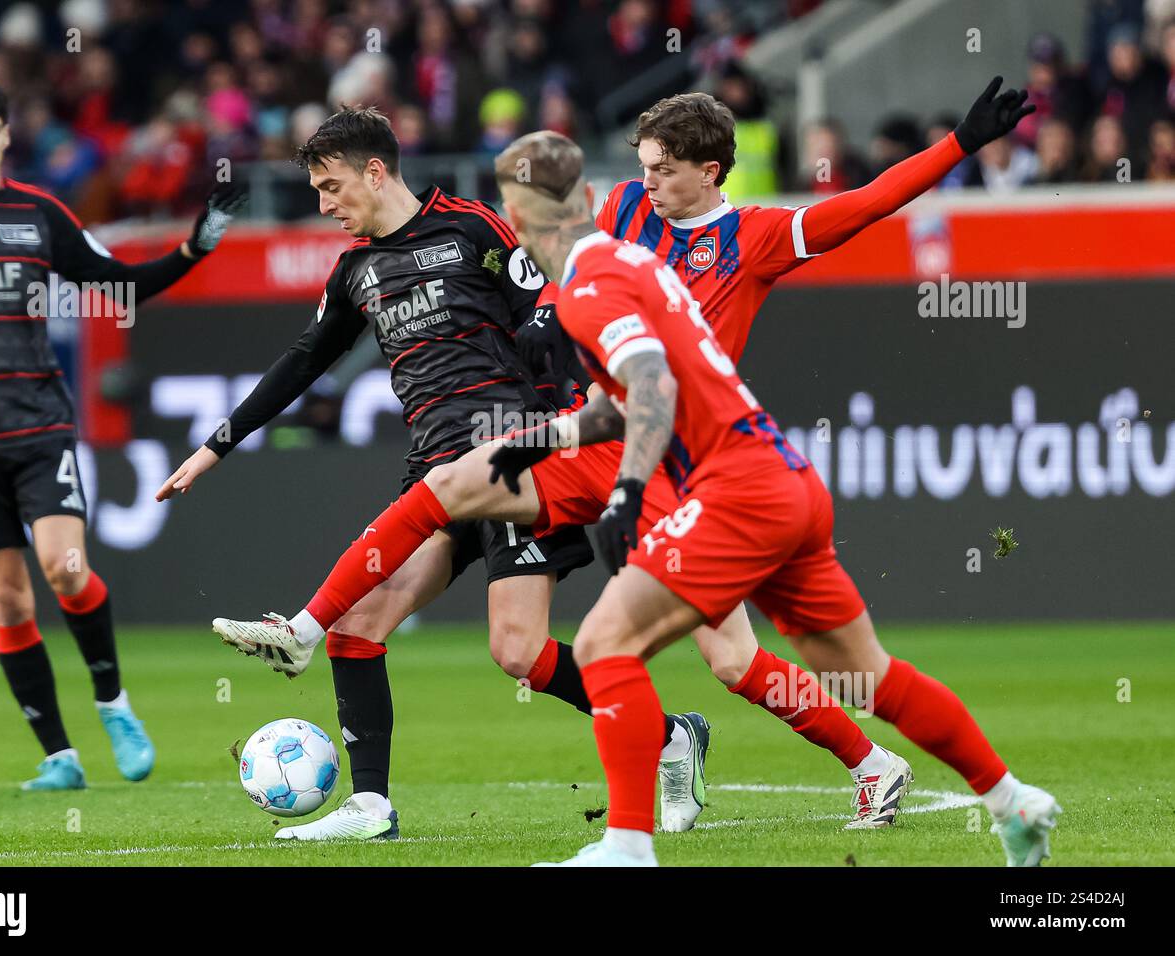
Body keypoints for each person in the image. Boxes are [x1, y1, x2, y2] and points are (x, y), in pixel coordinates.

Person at [220, 81, 1065, 863]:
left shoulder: (752, 238)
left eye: (663, 170)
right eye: (641, 170)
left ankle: (826, 773)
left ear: (709, 170)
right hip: (622, 442)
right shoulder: (621, 219)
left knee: (727, 660)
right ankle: (310, 628)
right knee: (462, 493)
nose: (645, 185)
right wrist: (547, 415)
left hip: (692, 467)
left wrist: (956, 147)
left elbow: (858, 209)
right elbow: (596, 349)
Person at [492, 129, 1061, 867]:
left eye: (510, 205)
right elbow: (630, 389)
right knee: (869, 675)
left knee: (606, 645)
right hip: (782, 477)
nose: (651, 182)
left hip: (725, 489)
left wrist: (626, 490)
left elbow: (653, 386)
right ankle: (1011, 799)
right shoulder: (629, 248)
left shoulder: (613, 275)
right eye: (644, 170)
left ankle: (628, 848)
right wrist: (543, 439)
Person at [156, 106, 710, 840]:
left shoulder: (475, 228)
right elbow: (303, 361)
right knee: (361, 623)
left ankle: (670, 738)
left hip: (516, 463)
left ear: (375, 171)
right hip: (435, 469)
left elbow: (551, 311)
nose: (324, 206)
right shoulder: (356, 272)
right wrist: (217, 444)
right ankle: (371, 806)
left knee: (517, 652)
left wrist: (568, 423)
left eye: (330, 187)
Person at [0, 72, 242, 790]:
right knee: (8, 600)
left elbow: (121, 285)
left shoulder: (42, 214)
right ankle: (59, 756)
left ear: (7, 136)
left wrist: (195, 250)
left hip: (39, 427)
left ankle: (114, 704)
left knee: (65, 569)